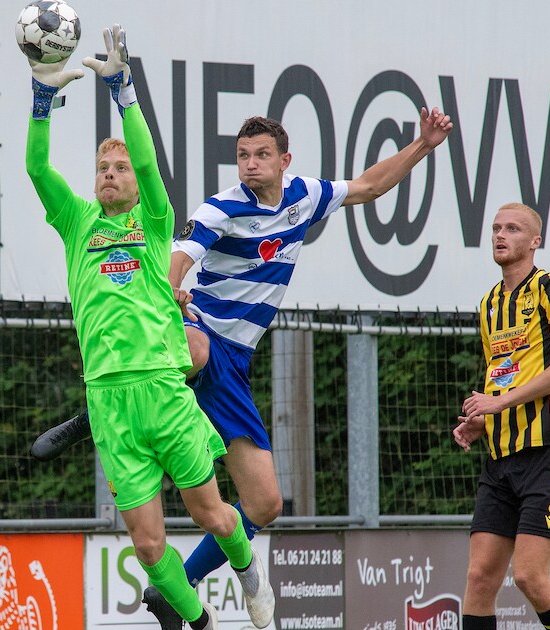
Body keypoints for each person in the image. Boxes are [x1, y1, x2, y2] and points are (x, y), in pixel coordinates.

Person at [35, 96, 452, 630]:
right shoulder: (222, 208)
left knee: (264, 503)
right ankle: (97, 412)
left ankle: (181, 586)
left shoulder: (305, 197)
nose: (250, 164)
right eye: (242, 156)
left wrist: (422, 145)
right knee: (195, 349)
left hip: (236, 362)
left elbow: (370, 186)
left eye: (261, 155)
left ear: (284, 160)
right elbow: (176, 257)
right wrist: (171, 290)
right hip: (198, 330)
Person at [25, 24, 274, 630]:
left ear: (137, 183)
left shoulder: (155, 221)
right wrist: (42, 101)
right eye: (102, 168)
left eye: (120, 168)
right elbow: (36, 167)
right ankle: (201, 623)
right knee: (147, 546)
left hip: (164, 391)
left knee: (214, 515)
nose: (111, 174)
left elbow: (146, 158)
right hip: (108, 402)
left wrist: (123, 92)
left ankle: (249, 575)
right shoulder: (77, 222)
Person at [451, 203, 550, 630]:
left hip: (547, 453)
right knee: (479, 578)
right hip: (501, 457)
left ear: (535, 241)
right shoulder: (490, 302)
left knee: (529, 575)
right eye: (495, 228)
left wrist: (499, 403)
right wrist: (484, 419)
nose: (500, 235)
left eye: (512, 229)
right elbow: (504, 373)